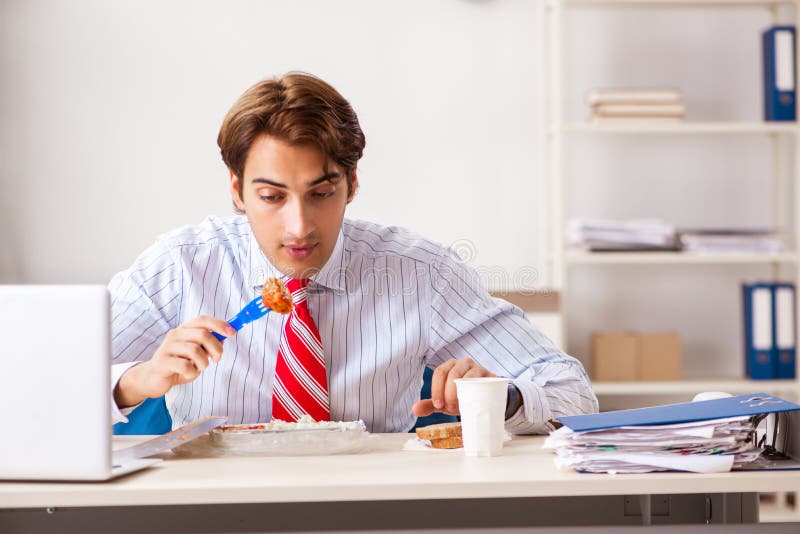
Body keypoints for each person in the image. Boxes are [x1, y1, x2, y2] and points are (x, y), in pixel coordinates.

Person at [110, 72, 598, 433]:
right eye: (272, 197)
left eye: (321, 193)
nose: (299, 226)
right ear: (237, 191)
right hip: (211, 512)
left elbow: (574, 395)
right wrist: (140, 379)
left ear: (352, 184)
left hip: (373, 508)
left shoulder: (421, 273)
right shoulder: (180, 266)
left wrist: (501, 396)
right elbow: (47, 382)